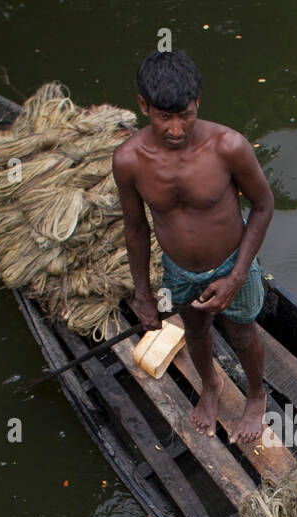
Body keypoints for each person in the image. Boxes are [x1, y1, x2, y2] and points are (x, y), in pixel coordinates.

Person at [113, 50, 274, 446]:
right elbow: (136, 228)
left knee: (243, 333)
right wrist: (143, 296)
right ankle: (210, 385)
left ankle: (256, 396)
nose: (175, 129)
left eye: (184, 114)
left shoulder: (228, 147)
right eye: (163, 117)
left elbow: (264, 205)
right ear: (143, 106)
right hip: (180, 268)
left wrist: (236, 277)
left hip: (232, 263)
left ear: (197, 101)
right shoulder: (129, 160)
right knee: (196, 330)